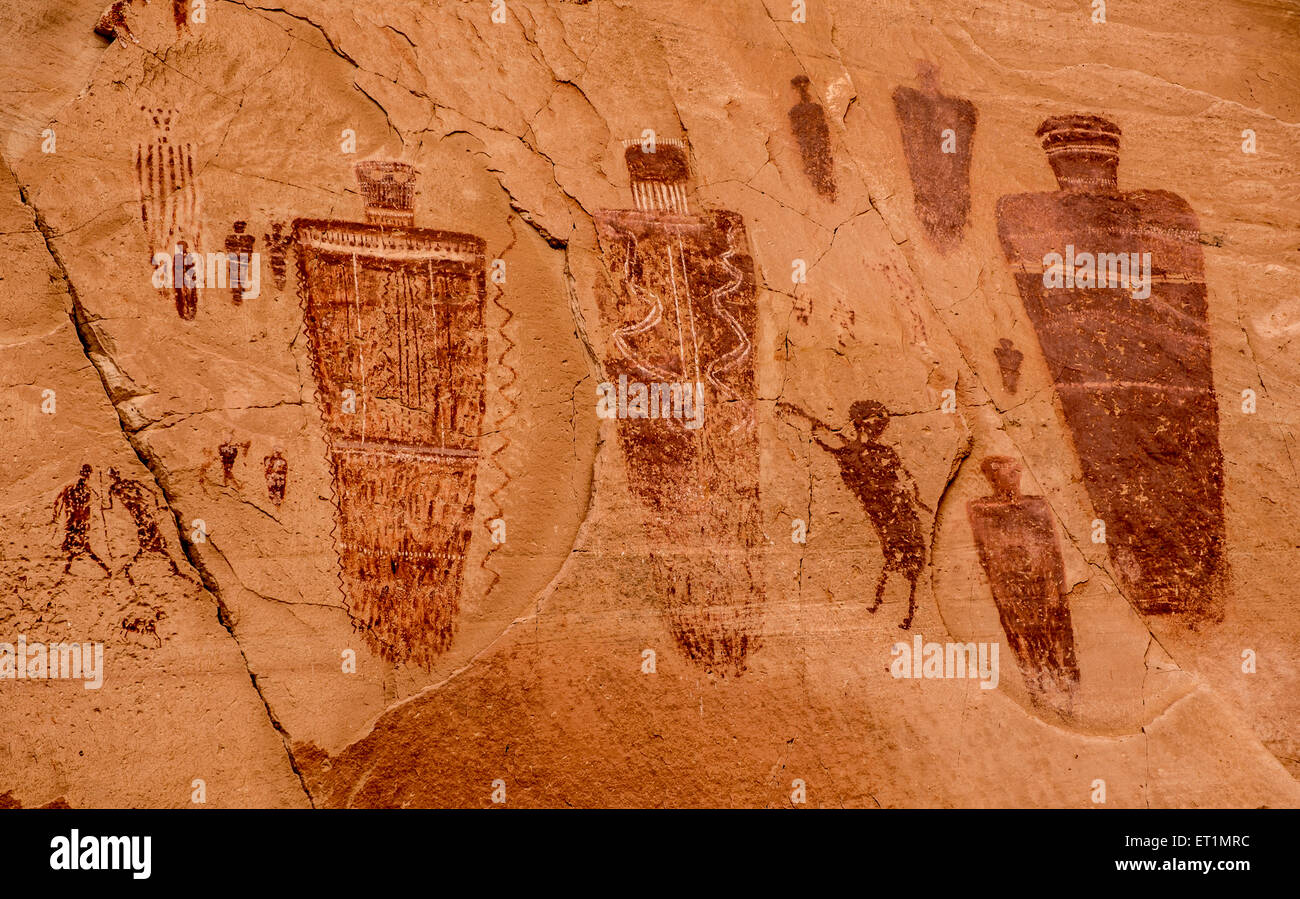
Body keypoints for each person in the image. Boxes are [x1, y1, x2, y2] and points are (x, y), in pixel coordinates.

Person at [779, 400, 930, 628]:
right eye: (876, 418)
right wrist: (797, 413)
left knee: (908, 555)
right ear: (861, 422)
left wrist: (917, 500)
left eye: (882, 419)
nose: (881, 423)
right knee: (895, 553)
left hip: (901, 510)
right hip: (883, 512)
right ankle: (889, 605)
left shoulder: (883, 451)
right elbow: (821, 432)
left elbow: (906, 478)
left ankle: (898, 608)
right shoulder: (850, 451)